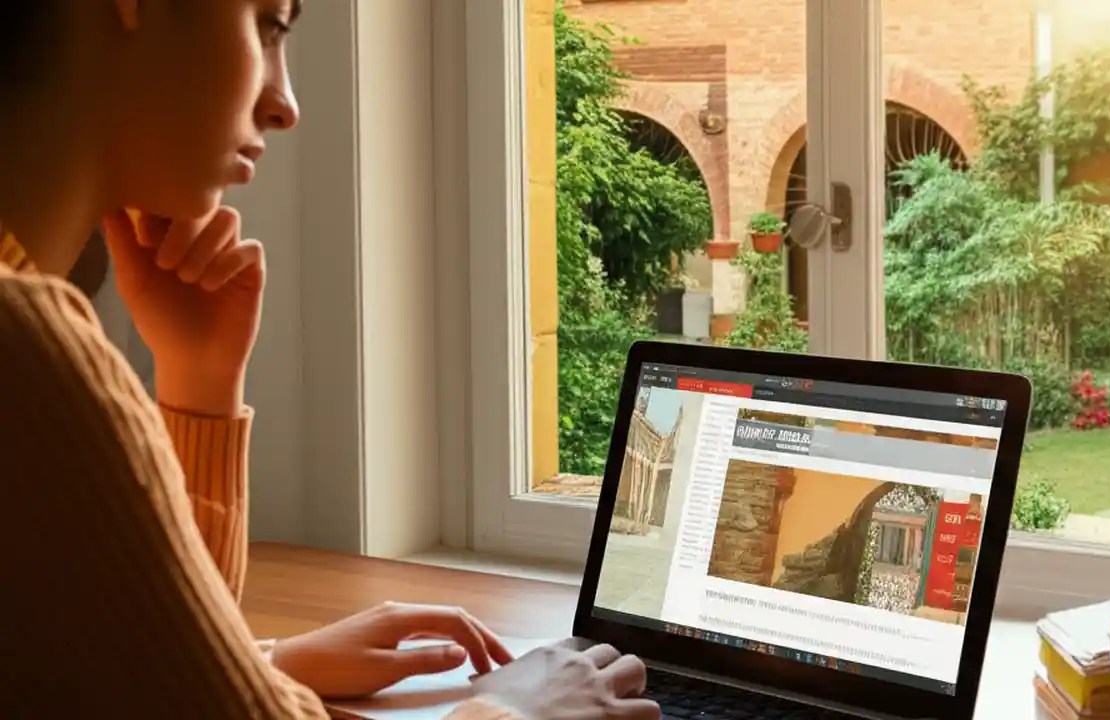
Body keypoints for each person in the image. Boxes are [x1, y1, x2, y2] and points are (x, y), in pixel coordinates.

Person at [0, 2, 659, 718]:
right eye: (268, 24)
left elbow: (132, 681)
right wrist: (515, 711)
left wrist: (266, 666)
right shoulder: (27, 353)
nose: (285, 105)